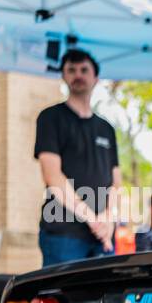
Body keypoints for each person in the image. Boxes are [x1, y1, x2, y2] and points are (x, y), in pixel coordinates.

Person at [33, 49, 121, 265]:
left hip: (103, 236)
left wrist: (108, 219)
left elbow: (116, 183)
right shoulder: (50, 118)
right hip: (63, 234)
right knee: (61, 299)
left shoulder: (106, 128)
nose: (78, 75)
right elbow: (52, 177)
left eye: (84, 70)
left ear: (96, 78)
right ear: (63, 76)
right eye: (71, 70)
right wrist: (92, 218)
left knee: (106, 298)